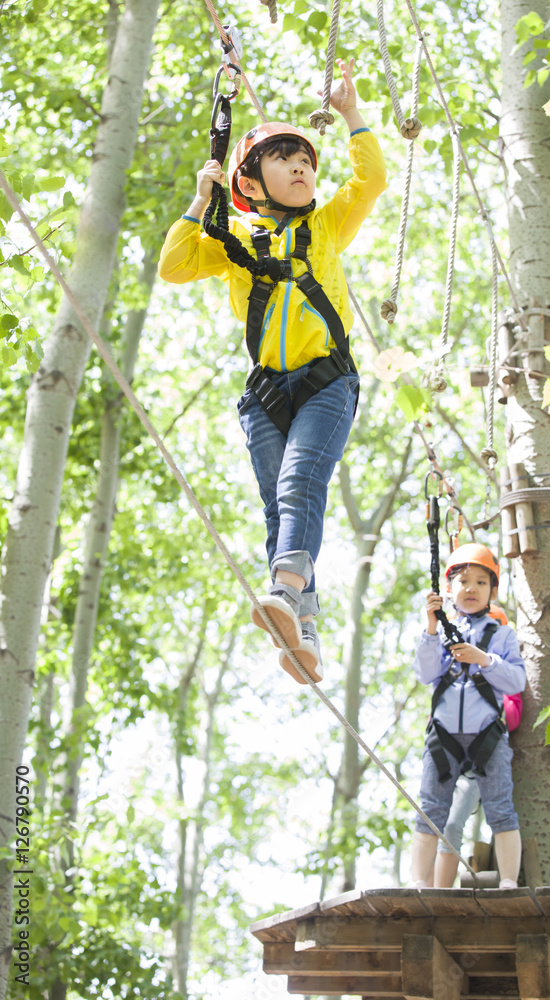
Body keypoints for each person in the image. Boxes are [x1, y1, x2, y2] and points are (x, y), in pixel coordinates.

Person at [158, 59, 386, 684]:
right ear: (251, 184)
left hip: (325, 381)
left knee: (299, 483)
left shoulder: (326, 225)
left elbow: (369, 182)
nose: (300, 167)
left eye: (306, 161)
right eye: (284, 159)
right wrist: (202, 199)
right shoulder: (233, 240)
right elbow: (174, 266)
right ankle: (302, 625)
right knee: (277, 506)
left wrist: (351, 115)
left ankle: (284, 589)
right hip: (265, 393)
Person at [410, 543, 526, 889]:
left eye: (480, 582)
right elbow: (425, 673)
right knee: (431, 810)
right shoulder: (442, 631)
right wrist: (431, 629)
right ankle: (418, 881)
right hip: (443, 734)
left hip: (487, 735)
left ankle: (508, 880)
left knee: (501, 809)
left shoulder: (502, 634)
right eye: (463, 582)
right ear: (449, 590)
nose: (471, 588)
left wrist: (484, 659)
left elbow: (516, 680)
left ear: (492, 591)